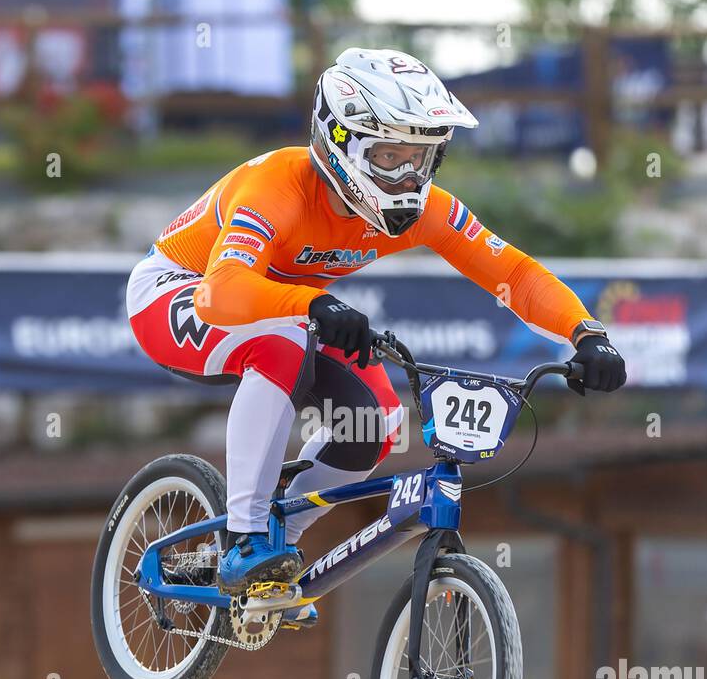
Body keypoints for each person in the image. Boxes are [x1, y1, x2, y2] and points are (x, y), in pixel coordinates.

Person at [126, 48, 627, 610]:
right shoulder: (279, 184)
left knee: (376, 422)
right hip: (178, 291)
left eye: (422, 157)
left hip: (286, 306)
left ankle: (276, 548)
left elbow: (511, 272)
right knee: (285, 343)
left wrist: (585, 332)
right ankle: (244, 536)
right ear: (340, 142)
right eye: (390, 155)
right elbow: (221, 294)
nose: (408, 175)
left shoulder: (422, 210)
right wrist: (315, 307)